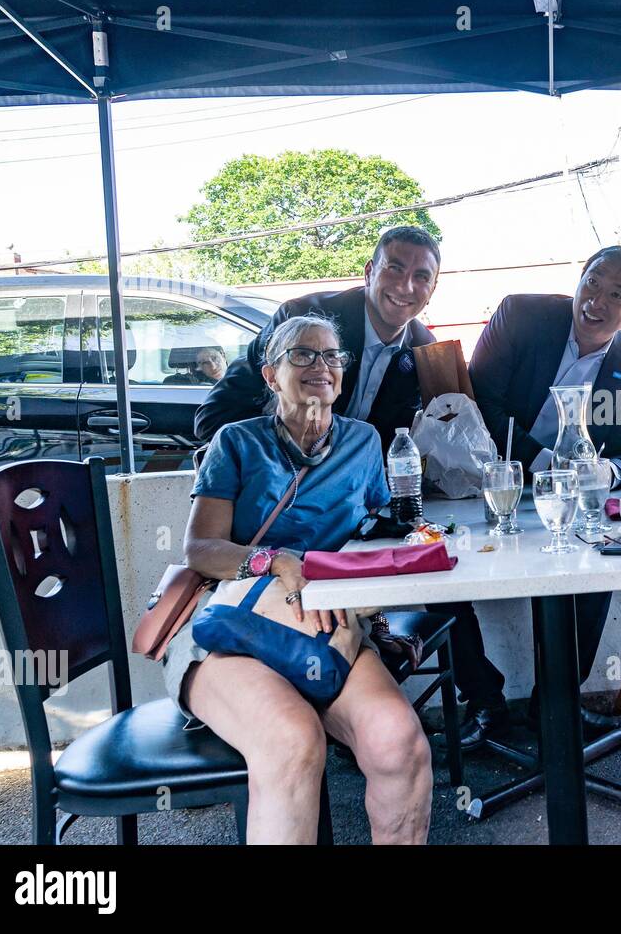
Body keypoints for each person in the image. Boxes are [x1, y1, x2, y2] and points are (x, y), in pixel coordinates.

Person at [167, 314, 432, 844]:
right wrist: (275, 560)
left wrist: (416, 539)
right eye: (303, 354)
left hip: (327, 628)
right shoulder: (236, 442)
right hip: (233, 630)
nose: (321, 365)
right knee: (292, 739)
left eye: (332, 355)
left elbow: (375, 531)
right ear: (270, 374)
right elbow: (200, 549)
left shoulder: (363, 442)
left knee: (397, 738)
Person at [436, 245, 621, 752]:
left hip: (569, 502)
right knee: (440, 571)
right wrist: (546, 465)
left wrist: (603, 469)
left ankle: (554, 703)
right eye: (592, 283)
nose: (595, 301)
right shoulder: (524, 316)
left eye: (616, 294)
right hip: (485, 477)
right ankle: (485, 701)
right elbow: (480, 403)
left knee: (602, 562)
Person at [195, 225, 440, 452]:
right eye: (394, 268)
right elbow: (213, 418)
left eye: (421, 276)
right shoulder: (301, 319)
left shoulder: (427, 352)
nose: (406, 286)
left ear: (432, 290)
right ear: (369, 272)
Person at [163, 346, 228, 385]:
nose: (213, 366)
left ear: (223, 356)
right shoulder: (199, 387)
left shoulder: (237, 379)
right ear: (198, 368)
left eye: (214, 358)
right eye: (205, 363)